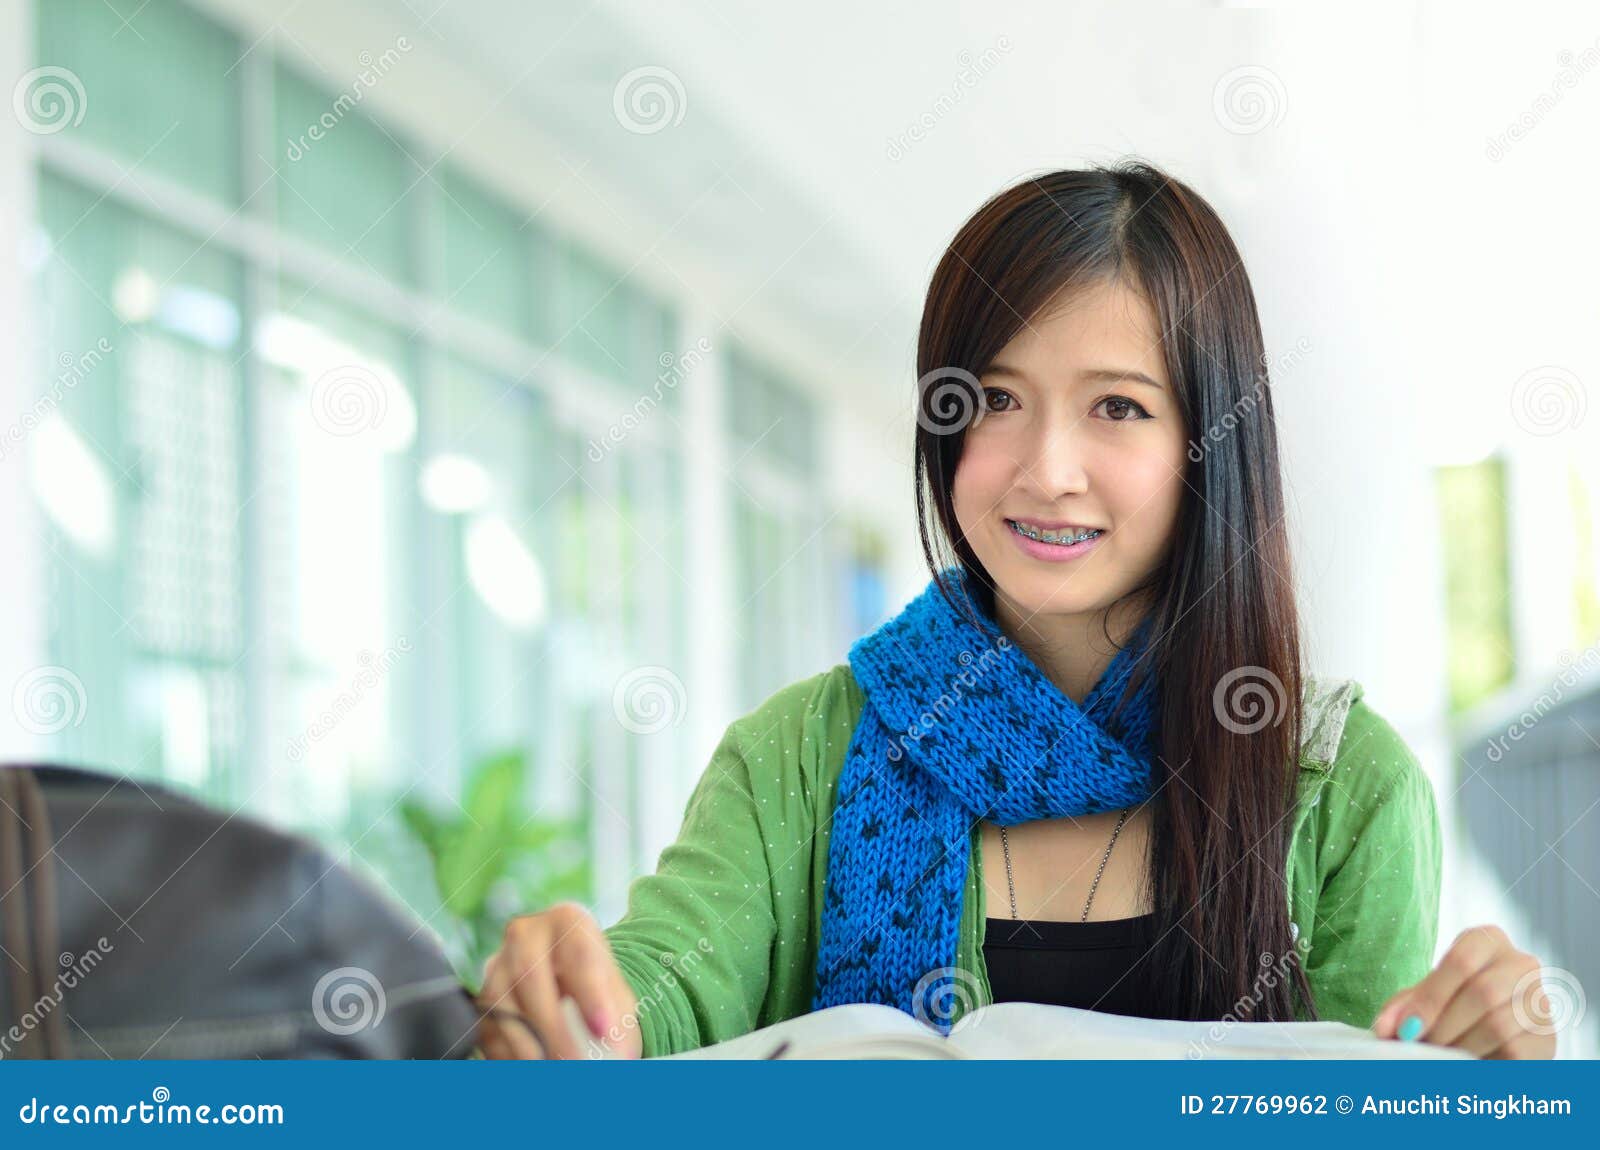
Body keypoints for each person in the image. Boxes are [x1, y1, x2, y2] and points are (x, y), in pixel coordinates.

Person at [476, 160, 1556, 1061]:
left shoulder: (1341, 784)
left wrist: (1483, 1071)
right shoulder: (795, 756)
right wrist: (572, 1009)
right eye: (994, 399)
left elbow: (1383, 1102)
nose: (1046, 470)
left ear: (1208, 448)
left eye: (1117, 407)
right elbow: (657, 997)